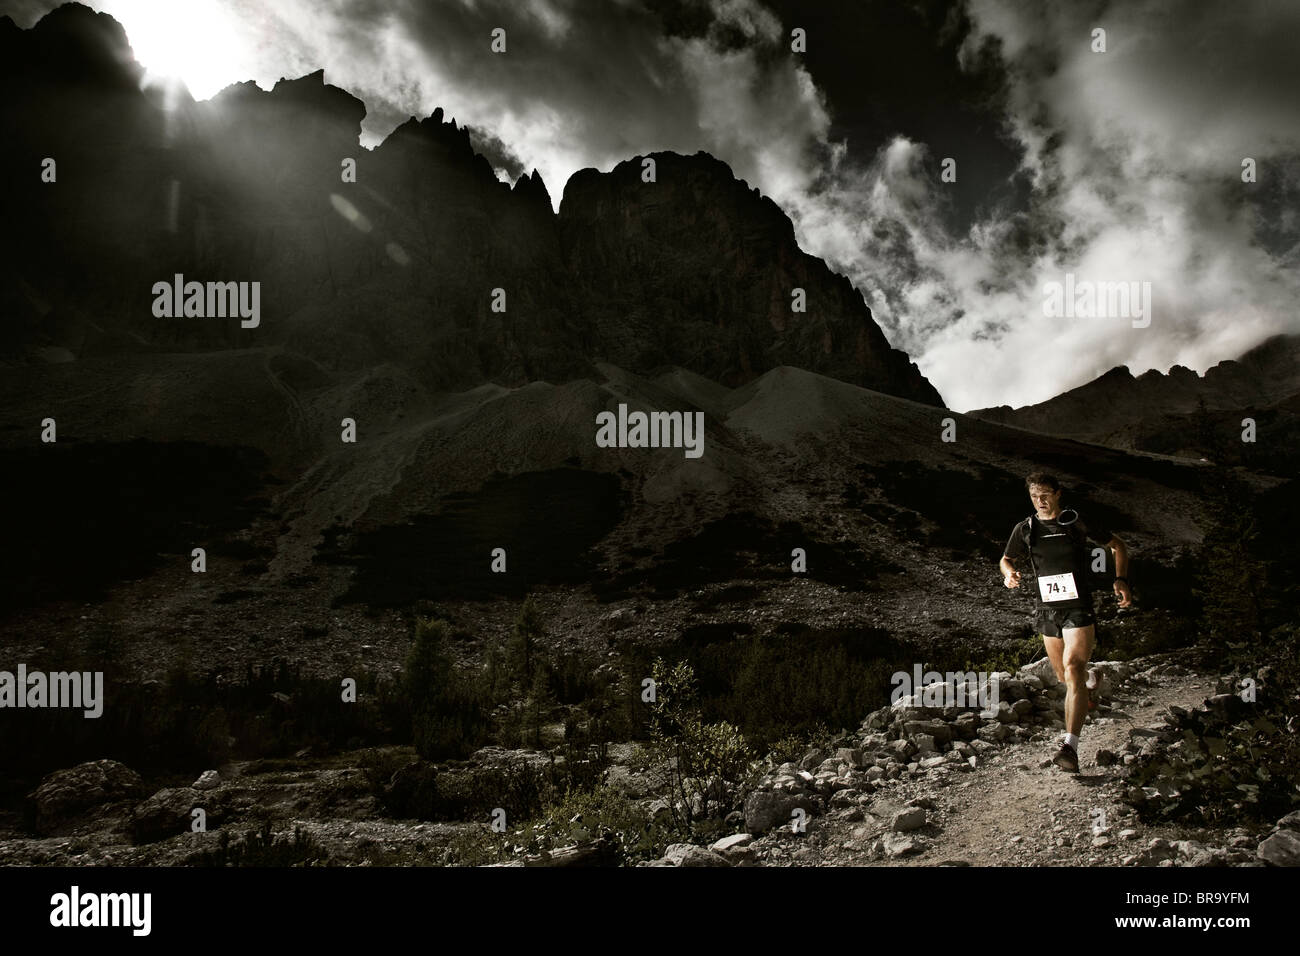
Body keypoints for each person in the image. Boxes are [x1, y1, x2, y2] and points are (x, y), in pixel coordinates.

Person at [999, 473, 1132, 772]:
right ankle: (1088, 682)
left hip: (1078, 607)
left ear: (1058, 494)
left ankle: (1069, 746)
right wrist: (1008, 573)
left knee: (1072, 667)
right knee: (1063, 676)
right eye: (1035, 496)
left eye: (1046, 494)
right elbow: (1006, 559)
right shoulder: (1025, 528)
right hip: (1046, 609)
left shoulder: (1075, 522)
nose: (1041, 501)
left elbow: (1118, 545)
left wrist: (1120, 579)